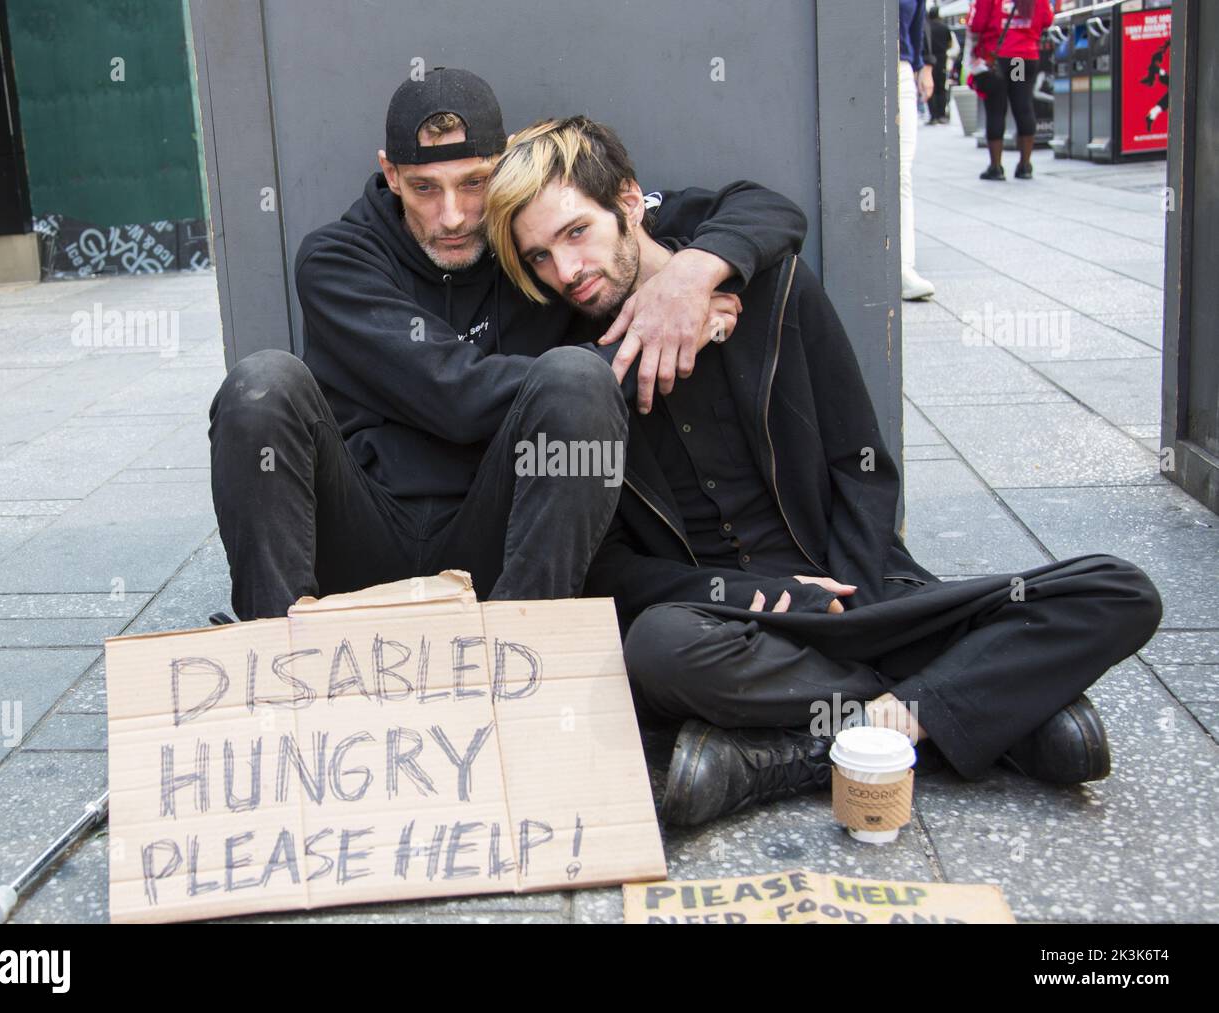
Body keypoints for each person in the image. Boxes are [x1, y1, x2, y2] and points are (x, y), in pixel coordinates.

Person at [483, 115, 1164, 828]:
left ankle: (797, 753)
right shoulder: (577, 376)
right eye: (538, 259)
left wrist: (859, 601)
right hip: (729, 623)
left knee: (1120, 591)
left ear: (628, 201)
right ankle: (972, 710)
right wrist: (757, 595)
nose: (565, 272)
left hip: (860, 596)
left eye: (575, 234)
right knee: (657, 649)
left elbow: (861, 466)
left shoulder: (771, 291)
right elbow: (611, 568)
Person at [207, 68, 807, 621]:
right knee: (260, 385)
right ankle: (273, 661)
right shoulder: (337, 259)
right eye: (423, 188)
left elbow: (762, 207)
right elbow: (456, 396)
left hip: (501, 539)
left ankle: (527, 657)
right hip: (361, 529)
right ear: (390, 174)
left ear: (503, 163)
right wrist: (647, 348)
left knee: (573, 380)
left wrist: (691, 275)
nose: (453, 217)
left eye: (475, 183)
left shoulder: (532, 236)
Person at [969, 0, 1054, 180]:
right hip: (1022, 58)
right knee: (1023, 106)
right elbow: (1047, 19)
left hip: (998, 57)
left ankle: (996, 167)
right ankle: (1025, 165)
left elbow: (978, 24)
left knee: (996, 111)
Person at [898, 0, 935, 300]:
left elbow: (917, 18)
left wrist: (923, 65)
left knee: (901, 170)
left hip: (902, 66)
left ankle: (902, 268)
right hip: (855, 62)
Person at [927, 6, 955, 124]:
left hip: (929, 59)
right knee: (941, 88)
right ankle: (941, 115)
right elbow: (950, 43)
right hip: (942, 59)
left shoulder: (926, 27)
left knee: (930, 87)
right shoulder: (944, 27)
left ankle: (933, 116)